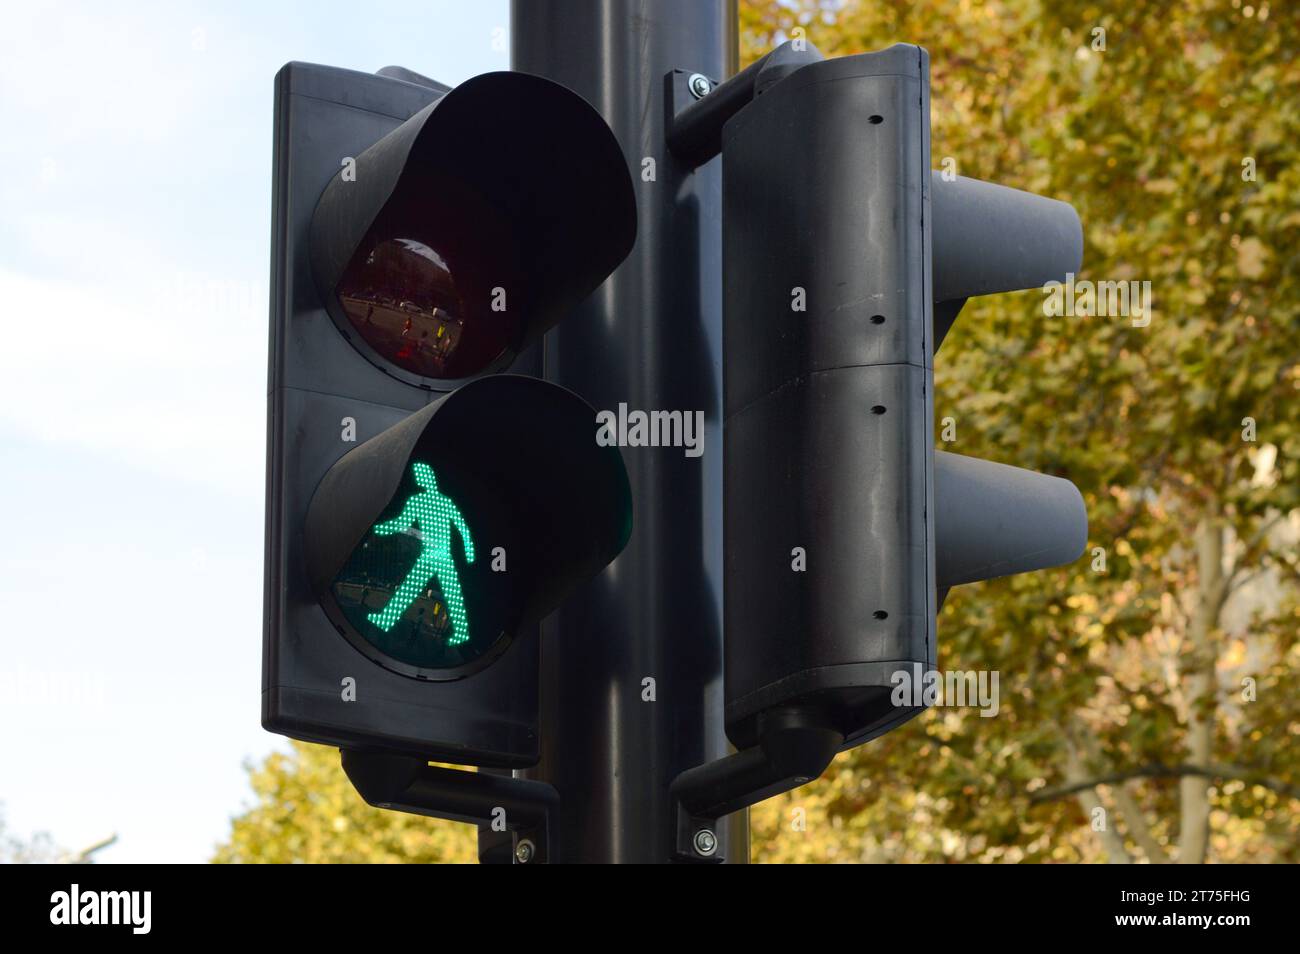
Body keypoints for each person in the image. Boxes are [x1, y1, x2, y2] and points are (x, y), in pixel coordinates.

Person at [367, 462, 475, 645]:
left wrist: (469, 549)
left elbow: (461, 526)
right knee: (414, 590)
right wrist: (384, 528)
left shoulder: (434, 501)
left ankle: (462, 632)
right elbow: (403, 522)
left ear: (427, 478)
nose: (420, 479)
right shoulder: (423, 501)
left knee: (451, 594)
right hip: (434, 555)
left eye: (421, 476)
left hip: (440, 555)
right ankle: (386, 619)